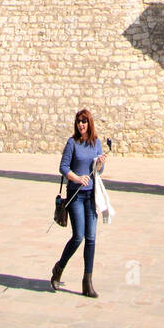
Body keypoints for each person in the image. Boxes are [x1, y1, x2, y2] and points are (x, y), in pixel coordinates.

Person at [50, 108, 107, 298]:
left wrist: (100, 163)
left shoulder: (96, 143)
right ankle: (59, 268)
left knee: (91, 238)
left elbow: (99, 170)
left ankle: (87, 282)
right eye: (78, 122)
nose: (81, 125)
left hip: (91, 195)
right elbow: (63, 167)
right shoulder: (72, 143)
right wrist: (77, 179)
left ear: (89, 123)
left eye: (84, 121)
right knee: (78, 236)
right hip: (75, 195)